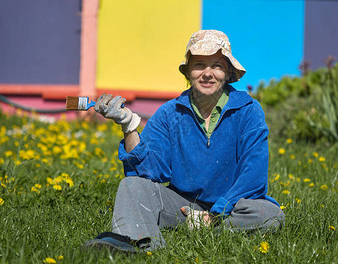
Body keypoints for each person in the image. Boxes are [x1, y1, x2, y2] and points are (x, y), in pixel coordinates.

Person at [84, 30, 284, 252]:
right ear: (188, 72)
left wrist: (214, 214)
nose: (207, 73)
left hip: (234, 207)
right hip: (182, 208)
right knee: (131, 185)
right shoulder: (169, 113)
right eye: (199, 65)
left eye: (217, 66)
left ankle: (209, 230)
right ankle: (138, 243)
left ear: (228, 73)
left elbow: (253, 178)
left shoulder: (249, 111)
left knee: (270, 214)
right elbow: (147, 173)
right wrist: (129, 127)